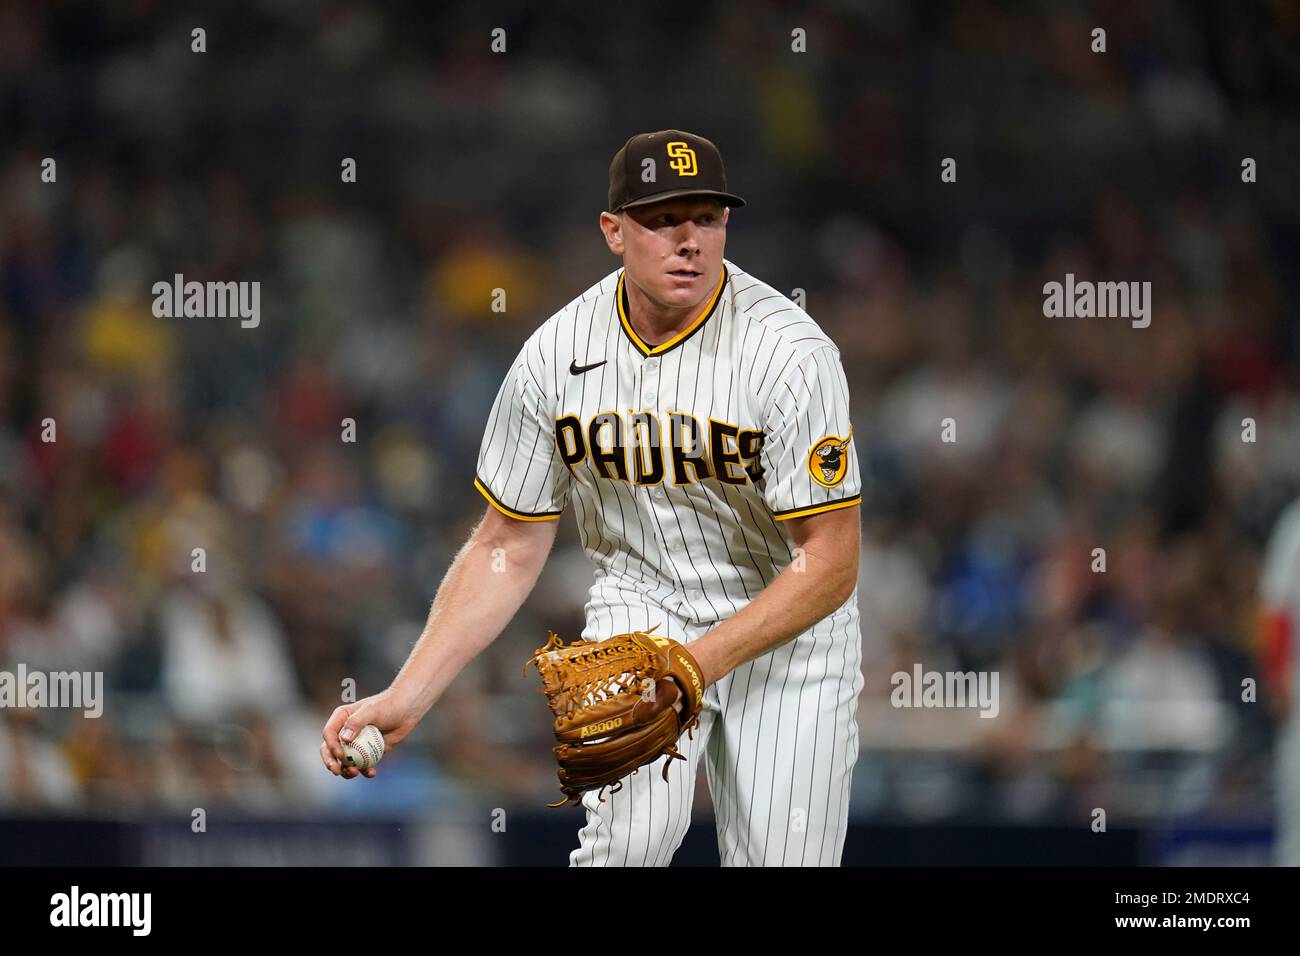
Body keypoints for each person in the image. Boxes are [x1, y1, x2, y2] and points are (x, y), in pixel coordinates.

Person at [322, 129, 864, 866]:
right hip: (643, 607)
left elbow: (829, 562)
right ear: (613, 232)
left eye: (706, 217)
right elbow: (507, 546)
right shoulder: (555, 354)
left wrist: (697, 663)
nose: (689, 241)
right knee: (628, 847)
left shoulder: (790, 355)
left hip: (789, 636)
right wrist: (410, 695)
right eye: (662, 219)